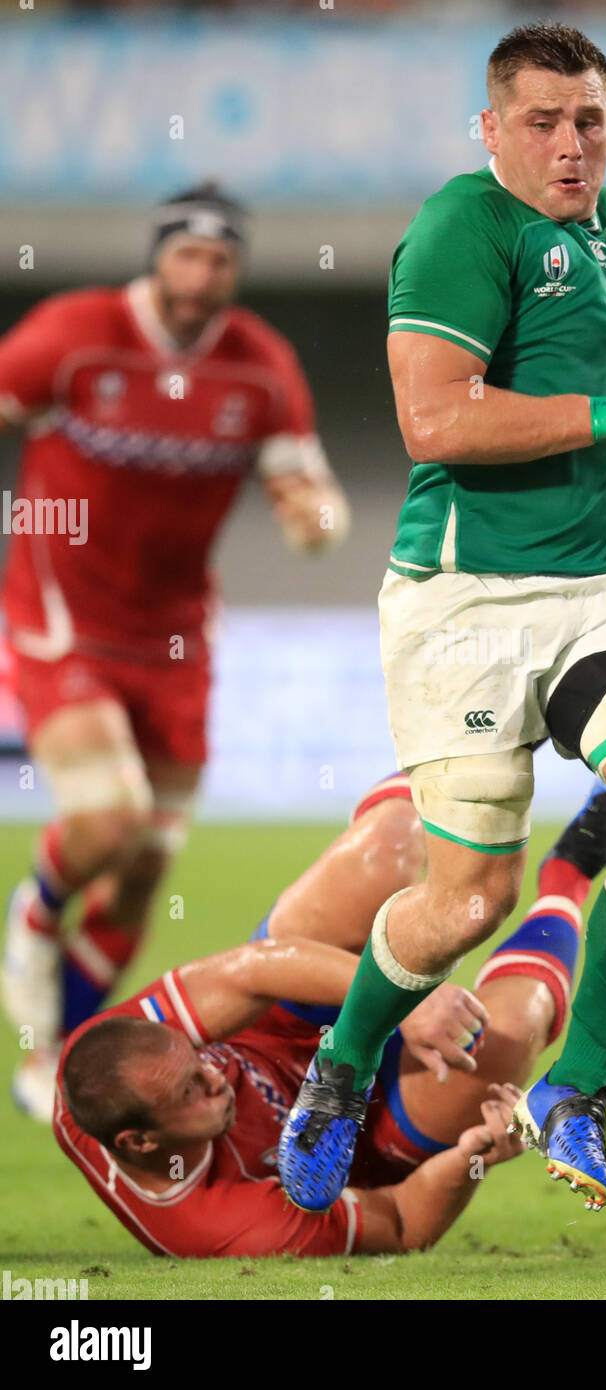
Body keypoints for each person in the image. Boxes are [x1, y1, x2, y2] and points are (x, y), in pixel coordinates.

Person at [277, 20, 606, 1216]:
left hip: (602, 586)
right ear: (492, 127)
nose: (571, 145)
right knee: (467, 903)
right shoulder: (464, 225)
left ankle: (581, 1087)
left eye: (591, 121)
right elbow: (436, 422)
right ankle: (347, 1060)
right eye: (543, 122)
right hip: (463, 595)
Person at [0, 181, 350, 1120]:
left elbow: (304, 484)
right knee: (107, 822)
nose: (203, 274)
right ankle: (33, 918)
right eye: (187, 254)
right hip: (61, 621)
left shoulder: (258, 368)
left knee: (149, 860)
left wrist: (315, 516)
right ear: (158, 255)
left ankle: (58, 1052)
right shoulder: (73, 334)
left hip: (177, 639)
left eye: (221, 259)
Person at [54, 771, 606, 1256]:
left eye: (198, 1060)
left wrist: (404, 999)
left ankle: (486, 747)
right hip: (368, 1132)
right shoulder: (222, 1222)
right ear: (140, 1143)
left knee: (390, 843)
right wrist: (475, 1157)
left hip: (285, 1024)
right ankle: (567, 877)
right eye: (189, 1093)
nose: (214, 1077)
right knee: (508, 1033)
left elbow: (252, 970)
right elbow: (399, 1222)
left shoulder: (105, 1051)